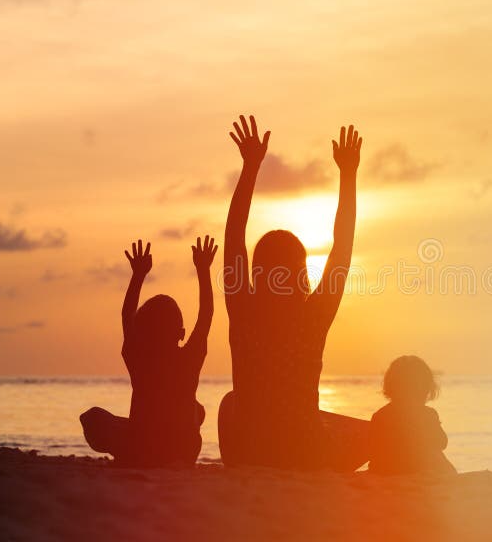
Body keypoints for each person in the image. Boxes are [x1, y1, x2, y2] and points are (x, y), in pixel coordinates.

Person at [218, 115, 368, 470]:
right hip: (306, 452)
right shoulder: (314, 315)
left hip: (250, 448)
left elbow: (233, 234)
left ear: (256, 271)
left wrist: (251, 167)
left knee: (229, 402)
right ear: (302, 273)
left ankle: (240, 461)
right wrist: (348, 174)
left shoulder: (243, 307)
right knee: (373, 434)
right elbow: (343, 249)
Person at [79, 236, 217, 466]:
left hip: (142, 447)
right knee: (197, 411)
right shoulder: (190, 359)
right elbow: (206, 315)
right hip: (184, 448)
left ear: (141, 333)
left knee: (92, 417)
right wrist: (203, 270)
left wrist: (138, 275)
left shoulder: (139, 358)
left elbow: (126, 316)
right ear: (181, 333)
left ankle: (128, 452)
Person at [368, 355, 457, 475]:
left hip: (384, 471)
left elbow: (373, 449)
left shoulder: (380, 415)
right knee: (435, 454)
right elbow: (442, 442)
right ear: (425, 389)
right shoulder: (427, 414)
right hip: (417, 472)